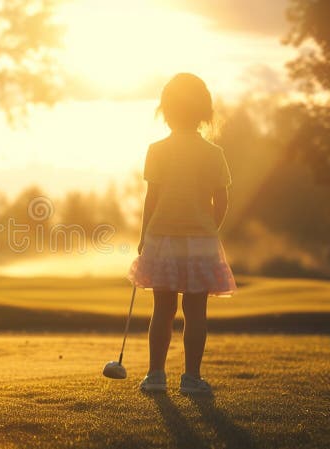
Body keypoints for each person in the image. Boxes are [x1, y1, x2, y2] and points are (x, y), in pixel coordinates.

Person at [128, 73, 236, 395]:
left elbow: (153, 198)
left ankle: (155, 376)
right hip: (201, 240)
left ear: (166, 110)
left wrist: (144, 235)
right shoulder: (213, 153)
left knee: (163, 309)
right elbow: (223, 202)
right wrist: (208, 229)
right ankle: (191, 378)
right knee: (195, 311)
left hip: (162, 237)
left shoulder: (157, 150)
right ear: (203, 111)